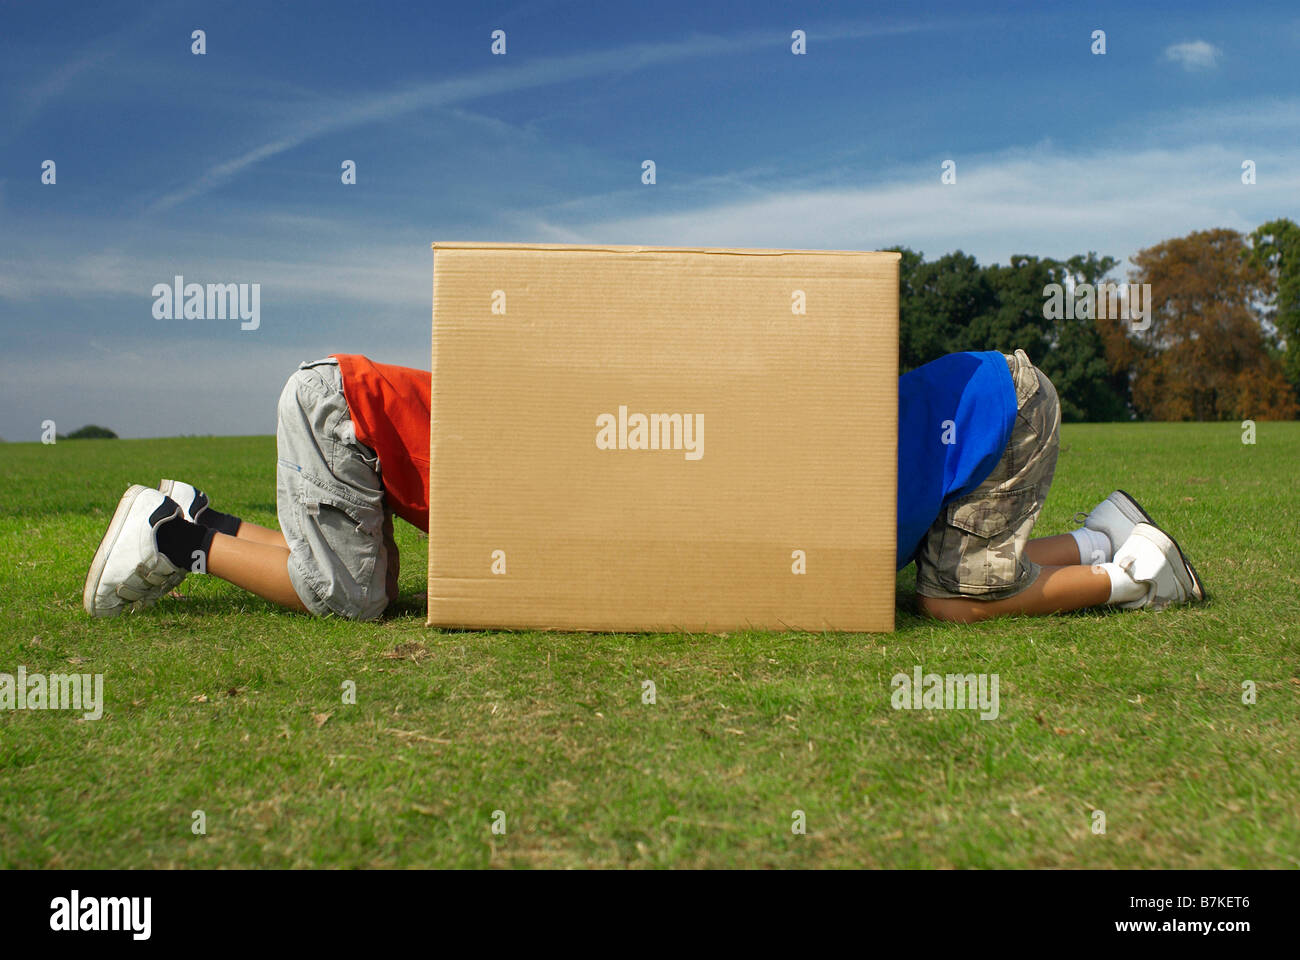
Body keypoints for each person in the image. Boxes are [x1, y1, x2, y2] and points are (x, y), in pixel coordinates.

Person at [83, 350, 1206, 624]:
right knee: (351, 603)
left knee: (949, 599)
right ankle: (179, 527)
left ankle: (1121, 559)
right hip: (339, 416)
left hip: (1005, 405)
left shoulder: (807, 484)